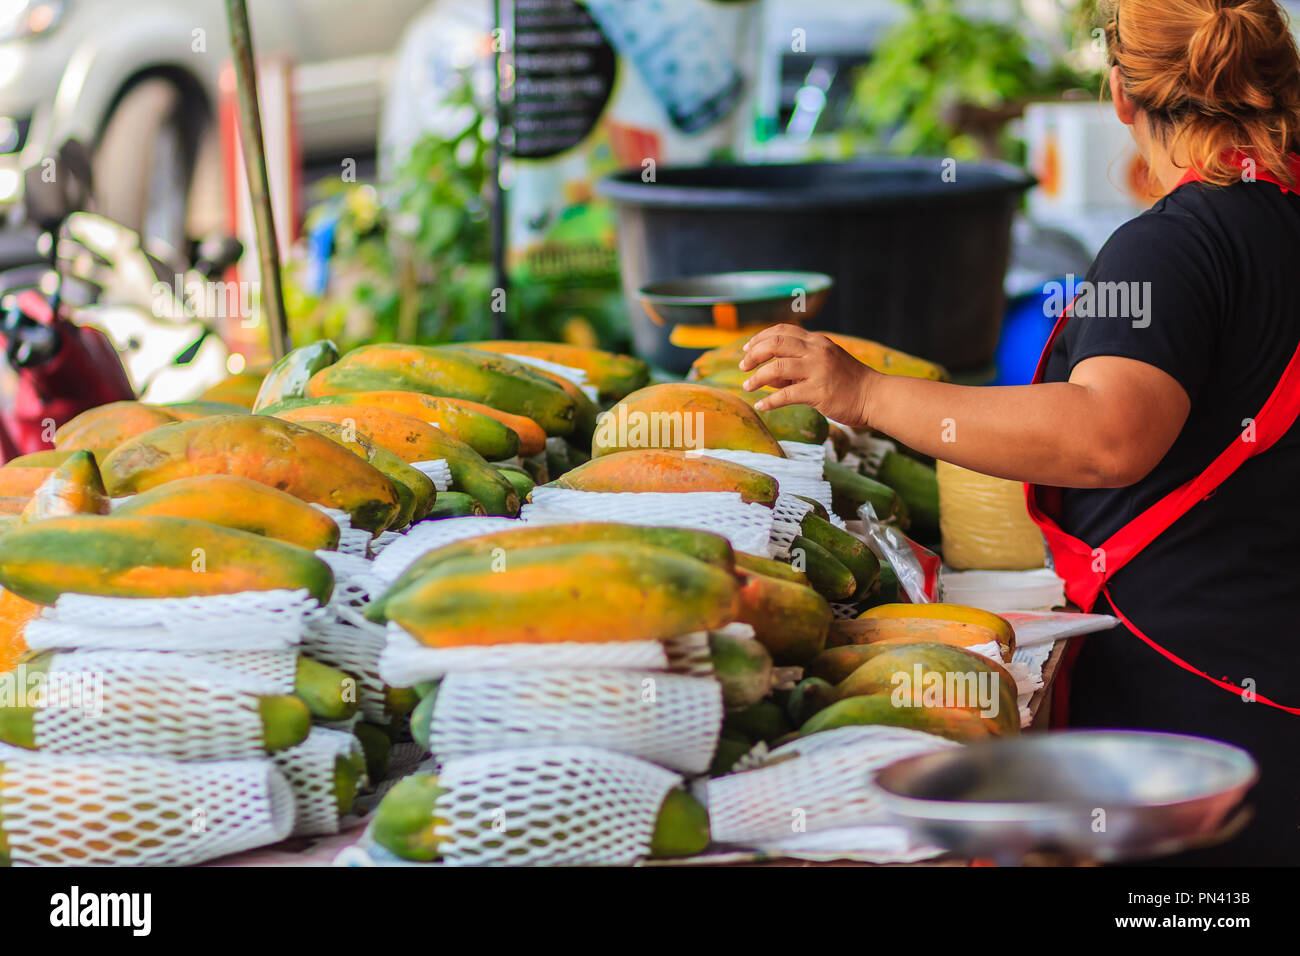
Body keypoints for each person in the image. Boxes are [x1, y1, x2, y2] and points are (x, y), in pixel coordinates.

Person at [739, 0, 1300, 865]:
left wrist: (864, 393)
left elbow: (1108, 432)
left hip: (1192, 710)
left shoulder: (1172, 248)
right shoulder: (1277, 219)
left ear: (1120, 94)